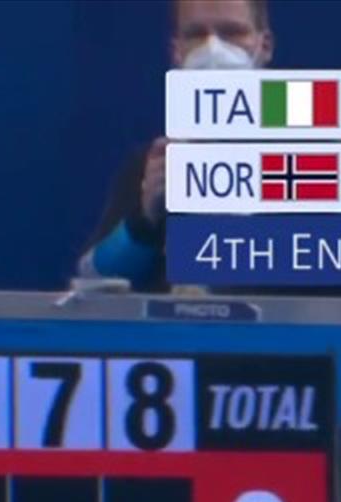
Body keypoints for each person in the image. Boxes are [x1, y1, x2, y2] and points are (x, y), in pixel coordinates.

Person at [76, 0, 273, 293]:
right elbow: (91, 282)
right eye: (196, 34)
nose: (213, 50)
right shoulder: (152, 166)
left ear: (264, 46)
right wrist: (144, 221)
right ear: (177, 52)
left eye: (232, 32)